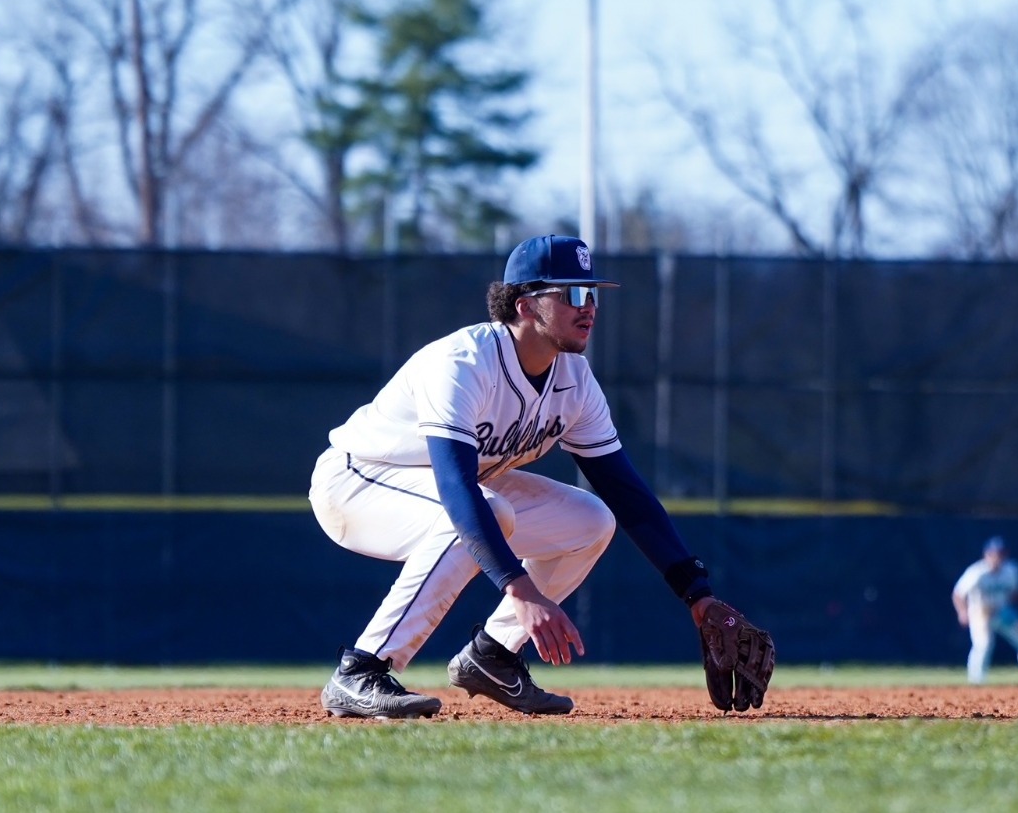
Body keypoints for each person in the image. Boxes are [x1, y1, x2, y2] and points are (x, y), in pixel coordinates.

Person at [309, 234, 739, 718]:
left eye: (593, 293)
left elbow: (627, 493)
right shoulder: (463, 363)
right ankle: (362, 670)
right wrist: (519, 585)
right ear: (525, 304)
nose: (589, 306)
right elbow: (456, 486)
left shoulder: (574, 380)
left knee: (590, 520)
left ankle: (492, 656)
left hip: (463, 488)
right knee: (482, 509)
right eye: (573, 294)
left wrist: (696, 594)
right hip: (358, 483)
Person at [952, 536, 1018, 685]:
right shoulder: (977, 572)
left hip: (1002, 611)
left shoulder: (1012, 570)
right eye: (994, 553)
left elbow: (1015, 594)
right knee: (983, 644)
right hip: (981, 612)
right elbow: (958, 593)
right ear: (987, 554)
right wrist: (963, 612)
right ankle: (976, 680)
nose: (998, 557)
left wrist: (1012, 614)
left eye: (1001, 553)